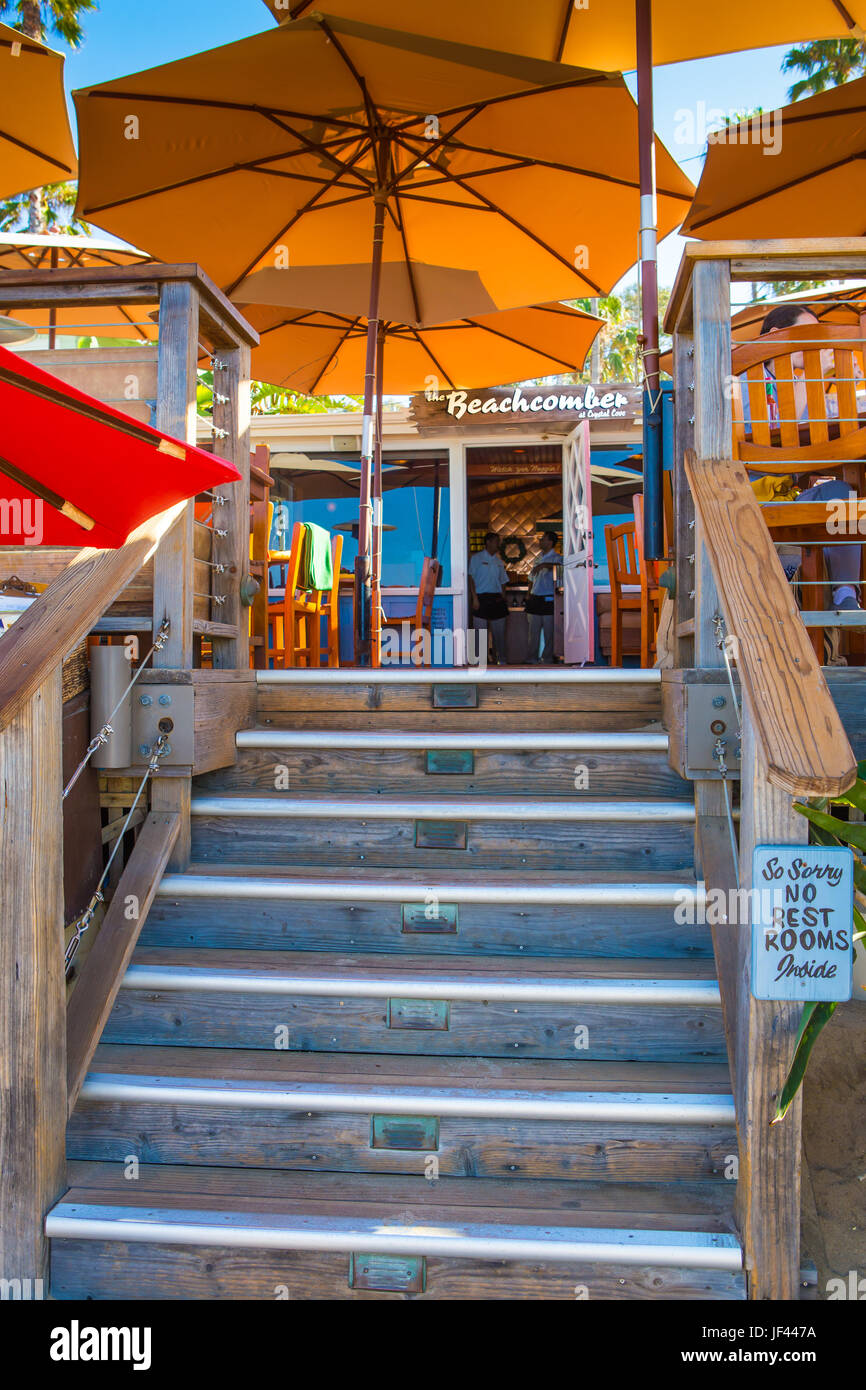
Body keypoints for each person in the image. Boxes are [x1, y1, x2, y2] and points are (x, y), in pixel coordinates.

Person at [739, 304, 862, 612]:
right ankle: (790, 592)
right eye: (808, 335)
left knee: (842, 494)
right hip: (750, 500)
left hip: (791, 495)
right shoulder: (740, 380)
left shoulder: (795, 385)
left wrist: (850, 381)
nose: (814, 345)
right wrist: (816, 374)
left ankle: (845, 594)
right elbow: (783, 428)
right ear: (777, 335)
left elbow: (818, 436)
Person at [468, 531, 510, 664]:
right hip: (481, 598)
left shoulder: (499, 561)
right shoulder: (477, 558)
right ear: (488, 542)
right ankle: (481, 661)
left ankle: (501, 660)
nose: (498, 544)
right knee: (480, 632)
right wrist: (474, 598)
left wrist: (503, 596)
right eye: (497, 541)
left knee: (499, 633)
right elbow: (470, 578)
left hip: (496, 598)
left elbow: (503, 580)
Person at [526, 530, 561, 664]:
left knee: (549, 632)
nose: (541, 541)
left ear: (550, 542)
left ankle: (547, 659)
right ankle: (532, 658)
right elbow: (531, 577)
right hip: (535, 598)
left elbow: (561, 568)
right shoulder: (538, 557)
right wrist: (528, 593)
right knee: (533, 632)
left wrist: (545, 565)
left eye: (543, 539)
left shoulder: (557, 558)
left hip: (549, 598)